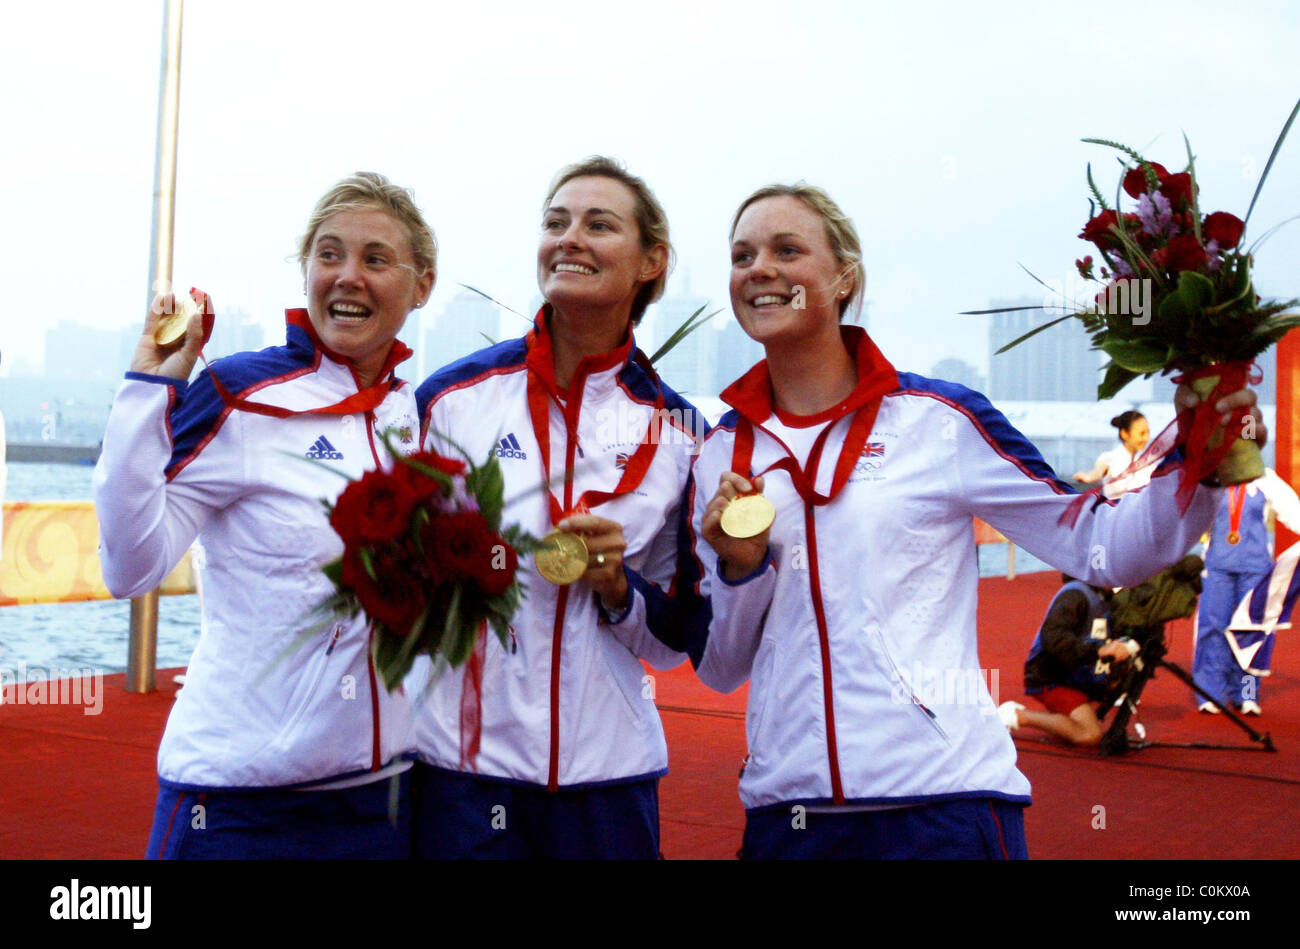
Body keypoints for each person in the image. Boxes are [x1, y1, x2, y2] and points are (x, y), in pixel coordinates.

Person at [635, 182, 1263, 859]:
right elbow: (724, 667)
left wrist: (1202, 444)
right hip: (789, 814)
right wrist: (740, 565)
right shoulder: (721, 452)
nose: (759, 268)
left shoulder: (941, 420)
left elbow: (1100, 543)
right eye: (742, 254)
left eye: (787, 249)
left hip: (943, 808)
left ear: (845, 277)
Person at [93, 172, 434, 858]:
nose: (348, 277)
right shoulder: (237, 394)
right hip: (238, 804)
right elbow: (131, 566)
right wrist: (150, 387)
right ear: (305, 269)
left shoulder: (421, 416)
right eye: (329, 255)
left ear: (421, 284)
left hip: (386, 802)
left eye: (375, 259)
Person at [408, 157, 702, 859]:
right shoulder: (453, 399)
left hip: (607, 779)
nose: (569, 238)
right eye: (555, 222)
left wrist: (615, 587)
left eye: (599, 225)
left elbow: (677, 635)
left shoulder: (681, 433)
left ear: (650, 262)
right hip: (462, 771)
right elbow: (386, 579)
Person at [1193, 467, 1300, 715]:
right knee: (1212, 626)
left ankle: (1247, 693)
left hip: (1255, 567)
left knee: (1251, 630)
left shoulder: (1265, 477)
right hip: (1217, 565)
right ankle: (1210, 693)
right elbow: (1190, 516)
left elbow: (1293, 513)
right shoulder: (1212, 476)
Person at [998, 576, 1138, 745]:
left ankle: (1064, 719)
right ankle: (1017, 716)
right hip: (1052, 677)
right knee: (1090, 734)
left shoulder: (1108, 598)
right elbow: (1053, 638)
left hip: (1078, 676)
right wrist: (1099, 651)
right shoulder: (1076, 595)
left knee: (1087, 716)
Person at [1073, 410, 1151, 498]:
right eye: (1142, 433)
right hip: (1116, 510)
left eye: (1148, 432)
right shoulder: (1109, 458)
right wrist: (1088, 478)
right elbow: (1097, 472)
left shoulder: (1149, 461)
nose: (1146, 438)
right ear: (1124, 433)